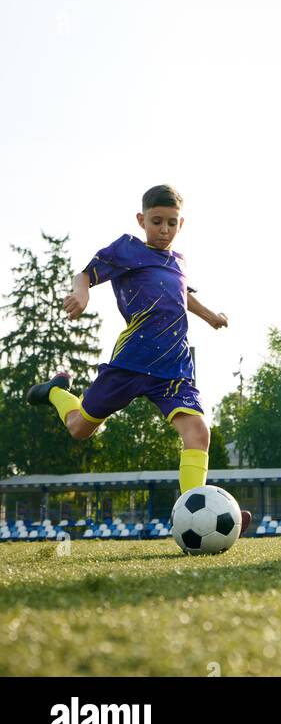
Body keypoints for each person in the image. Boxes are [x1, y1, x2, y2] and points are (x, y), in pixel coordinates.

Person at [26, 185, 250, 525]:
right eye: (157, 221)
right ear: (141, 219)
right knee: (79, 428)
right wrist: (81, 295)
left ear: (181, 224)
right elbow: (84, 275)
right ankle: (56, 390)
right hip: (131, 362)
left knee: (199, 432)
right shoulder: (127, 250)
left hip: (174, 366)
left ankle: (194, 519)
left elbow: (182, 295)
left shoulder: (178, 261)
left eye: (171, 223)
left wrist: (211, 316)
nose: (164, 230)